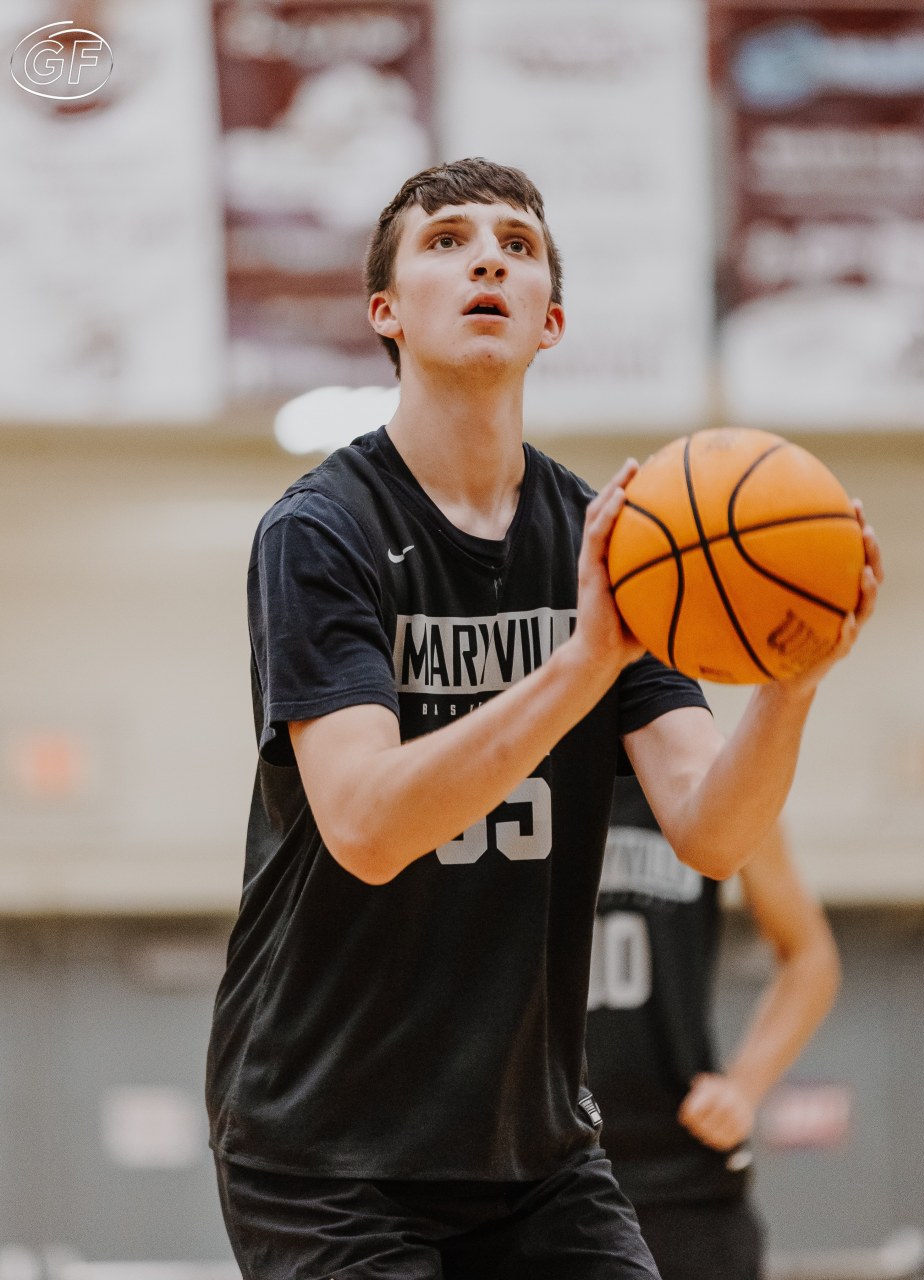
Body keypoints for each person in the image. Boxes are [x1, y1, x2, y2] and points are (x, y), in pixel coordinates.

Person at [205, 157, 881, 1280]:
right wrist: (581, 663)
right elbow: (366, 826)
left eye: (517, 245)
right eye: (447, 240)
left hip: (533, 1148)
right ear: (386, 310)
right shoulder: (318, 532)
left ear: (550, 318)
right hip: (323, 1147)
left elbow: (713, 831)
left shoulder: (621, 541)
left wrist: (790, 683)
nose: (487, 258)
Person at [586, 776, 841, 1280]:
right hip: (538, 1174)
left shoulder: (704, 771)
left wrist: (744, 1087)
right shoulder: (510, 762)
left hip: (684, 1179)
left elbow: (810, 958)